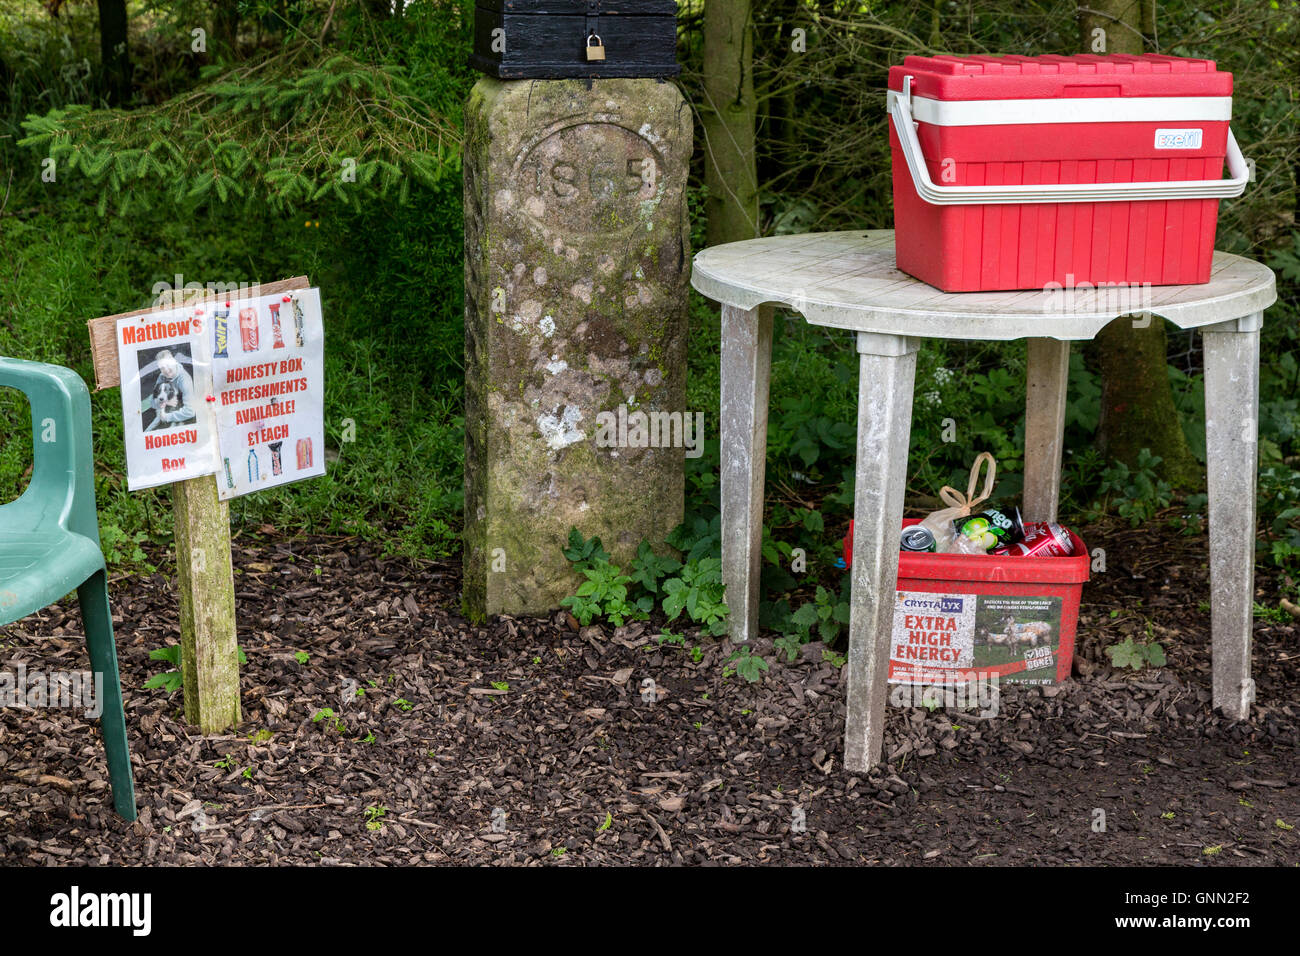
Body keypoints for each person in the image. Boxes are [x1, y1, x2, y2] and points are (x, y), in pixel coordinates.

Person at [142, 348, 197, 431]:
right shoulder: (162, 376)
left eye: (168, 365)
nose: (166, 370)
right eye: (162, 368)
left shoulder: (185, 380)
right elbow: (153, 401)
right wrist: (165, 402)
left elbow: (190, 411)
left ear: (174, 361)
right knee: (147, 430)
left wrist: (166, 417)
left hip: (181, 416)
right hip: (164, 410)